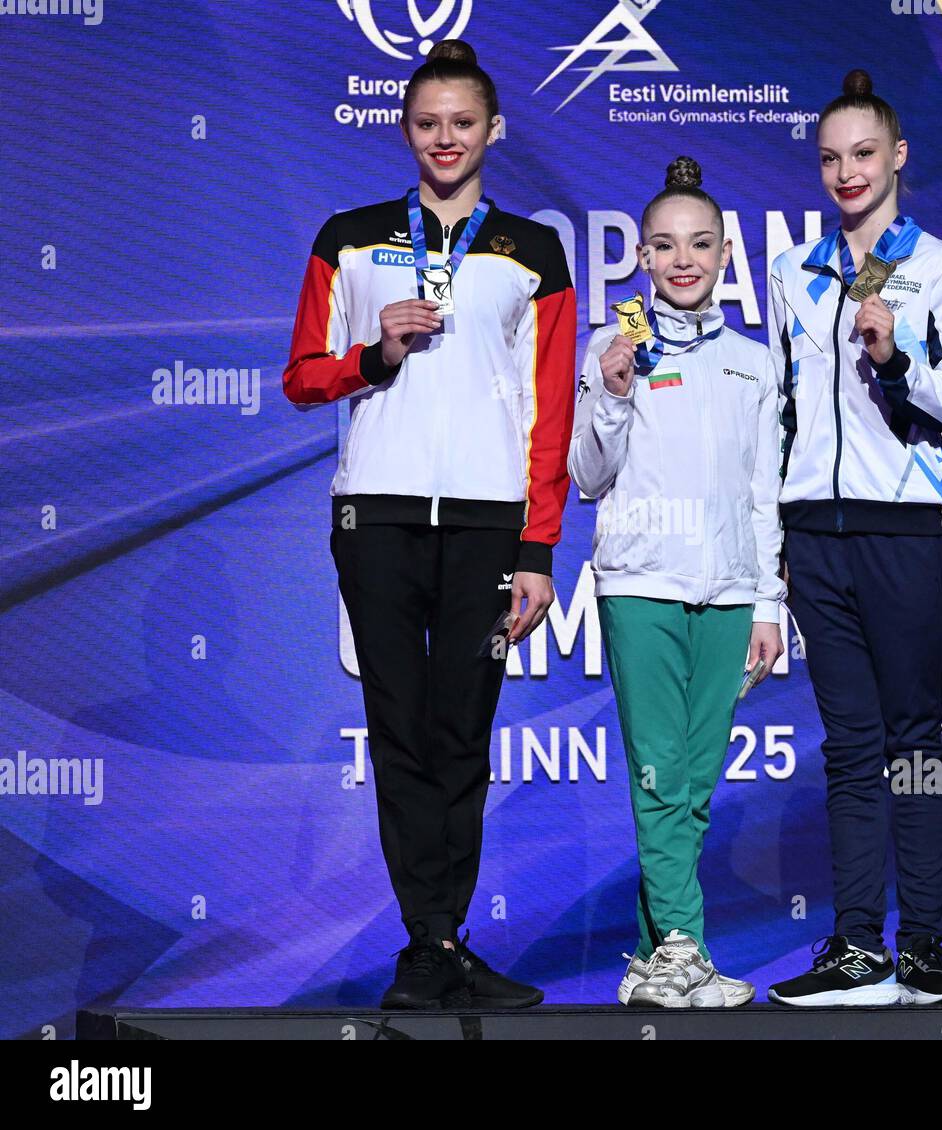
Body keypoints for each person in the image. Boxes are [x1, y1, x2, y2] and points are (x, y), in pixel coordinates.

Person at [282, 39, 576, 1010]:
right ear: (404, 130)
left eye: (461, 122)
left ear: (492, 129)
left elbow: (550, 412)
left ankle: (442, 940)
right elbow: (301, 375)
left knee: (463, 732)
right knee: (398, 732)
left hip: (490, 525)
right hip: (377, 518)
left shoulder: (533, 251)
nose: (444, 138)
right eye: (426, 122)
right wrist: (375, 352)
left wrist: (538, 546)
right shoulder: (350, 237)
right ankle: (428, 943)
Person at [766, 69, 942, 1006]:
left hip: (905, 529)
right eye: (829, 159)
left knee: (916, 738)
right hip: (816, 532)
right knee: (849, 745)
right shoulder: (791, 274)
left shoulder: (941, 268)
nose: (846, 173)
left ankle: (925, 948)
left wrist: (900, 362)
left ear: (897, 158)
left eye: (862, 154)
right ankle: (858, 949)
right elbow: (783, 412)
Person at [569, 157, 785, 1008]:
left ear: (727, 255)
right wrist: (614, 393)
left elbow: (765, 491)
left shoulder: (753, 363)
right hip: (640, 587)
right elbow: (588, 475)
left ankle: (649, 959)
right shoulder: (612, 348)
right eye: (664, 246)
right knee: (659, 772)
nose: (682, 260)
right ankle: (687, 947)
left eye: (699, 244)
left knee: (692, 785)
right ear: (643, 258)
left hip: (731, 594)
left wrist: (768, 601)